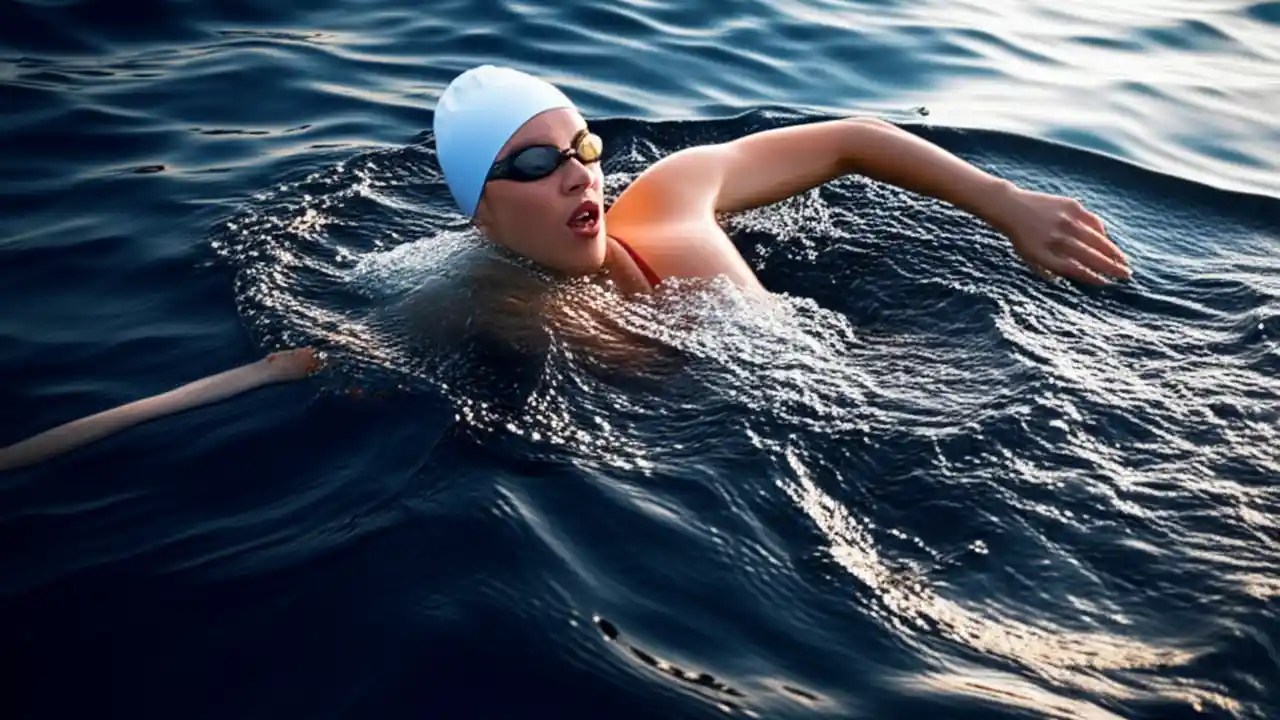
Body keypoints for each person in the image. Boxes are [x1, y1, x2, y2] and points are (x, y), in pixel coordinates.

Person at [0, 65, 1131, 471]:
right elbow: (275, 371)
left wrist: (999, 201)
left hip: (921, 402)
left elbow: (844, 141)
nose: (578, 174)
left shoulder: (675, 195)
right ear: (474, 206)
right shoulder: (469, 292)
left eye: (581, 146)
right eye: (533, 162)